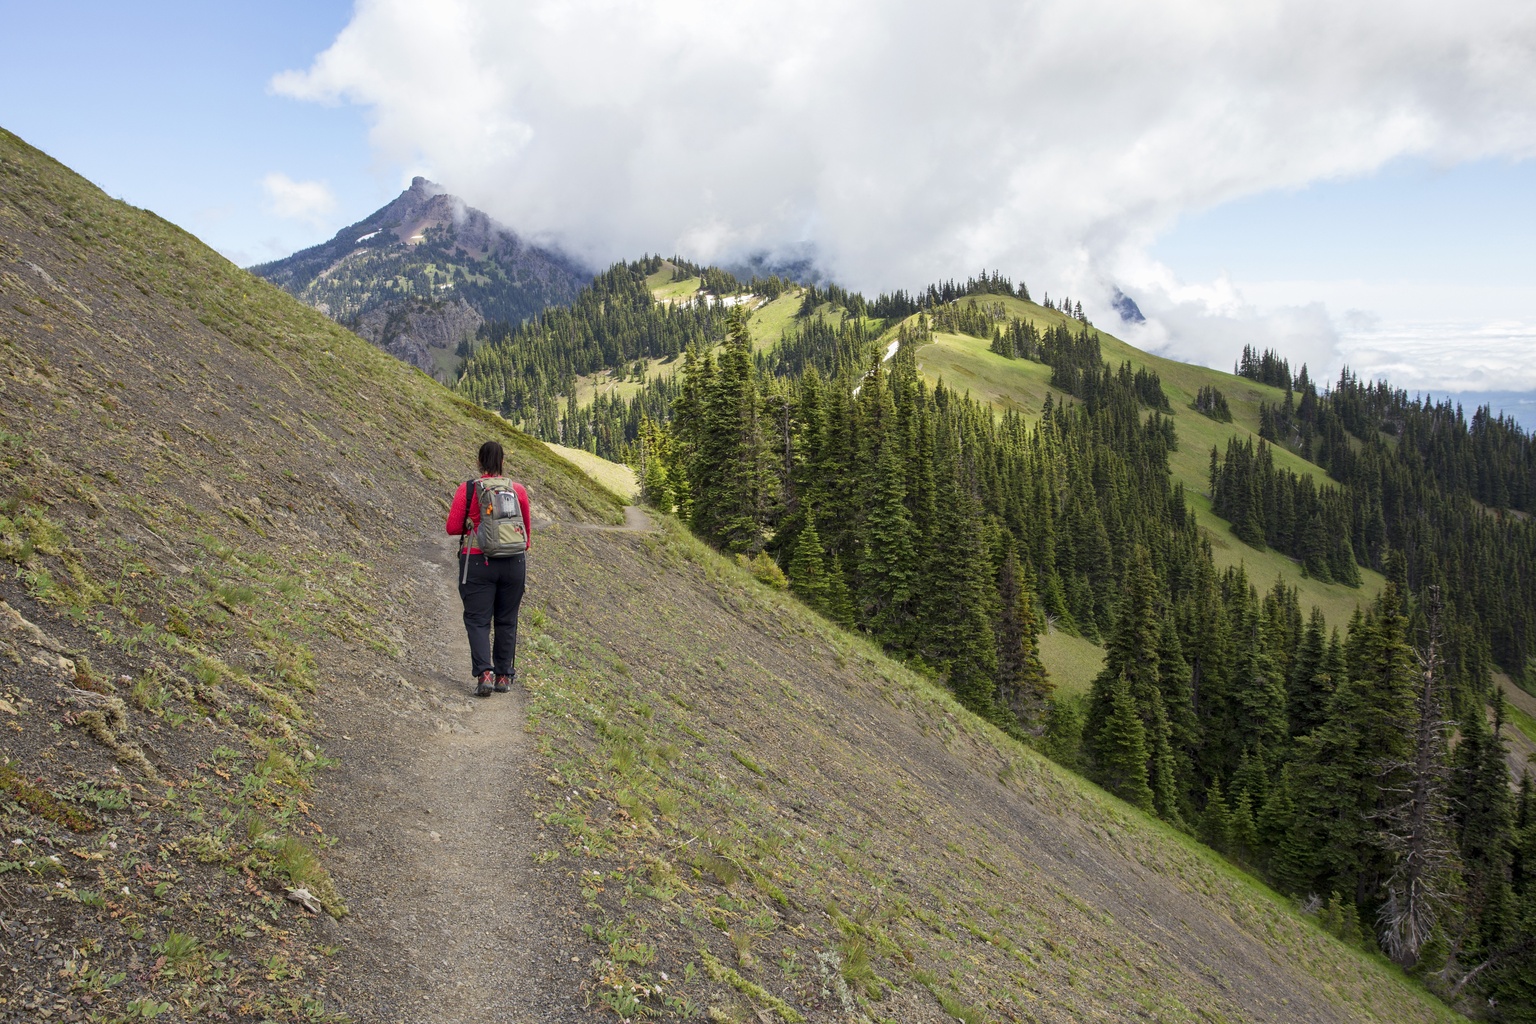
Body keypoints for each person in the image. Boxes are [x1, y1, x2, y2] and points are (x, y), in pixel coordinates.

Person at [445, 441, 531, 697]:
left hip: (477, 561)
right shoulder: (517, 490)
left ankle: (485, 673)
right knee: (507, 620)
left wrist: (474, 523)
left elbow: (452, 527)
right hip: (513, 562)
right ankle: (504, 676)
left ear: (479, 462)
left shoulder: (468, 489)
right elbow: (525, 535)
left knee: (478, 620)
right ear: (502, 462)